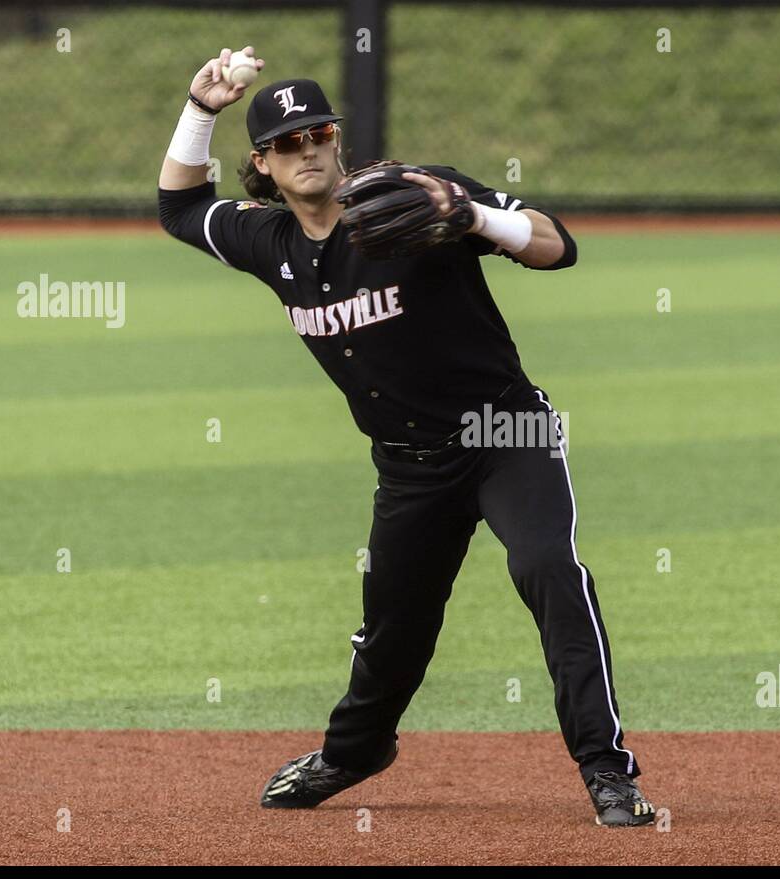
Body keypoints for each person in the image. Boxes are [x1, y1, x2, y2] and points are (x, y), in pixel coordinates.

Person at [157, 47, 655, 826]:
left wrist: (471, 216)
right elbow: (180, 210)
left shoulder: (410, 196)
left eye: (318, 132)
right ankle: (354, 753)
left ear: (336, 139)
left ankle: (607, 771)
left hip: (506, 433)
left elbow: (559, 245)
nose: (308, 149)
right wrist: (201, 108)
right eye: (288, 143)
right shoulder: (270, 244)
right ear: (262, 164)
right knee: (395, 628)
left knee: (549, 570)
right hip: (410, 465)